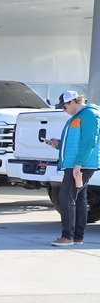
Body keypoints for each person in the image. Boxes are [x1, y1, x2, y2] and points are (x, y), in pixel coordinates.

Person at [47, 90, 100, 246]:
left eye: (64, 106)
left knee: (66, 197)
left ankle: (67, 236)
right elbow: (75, 143)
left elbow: (90, 140)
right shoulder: (77, 118)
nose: (64, 110)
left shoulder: (89, 114)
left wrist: (79, 164)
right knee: (79, 198)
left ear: (72, 102)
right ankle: (77, 236)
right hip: (77, 163)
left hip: (79, 165)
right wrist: (59, 144)